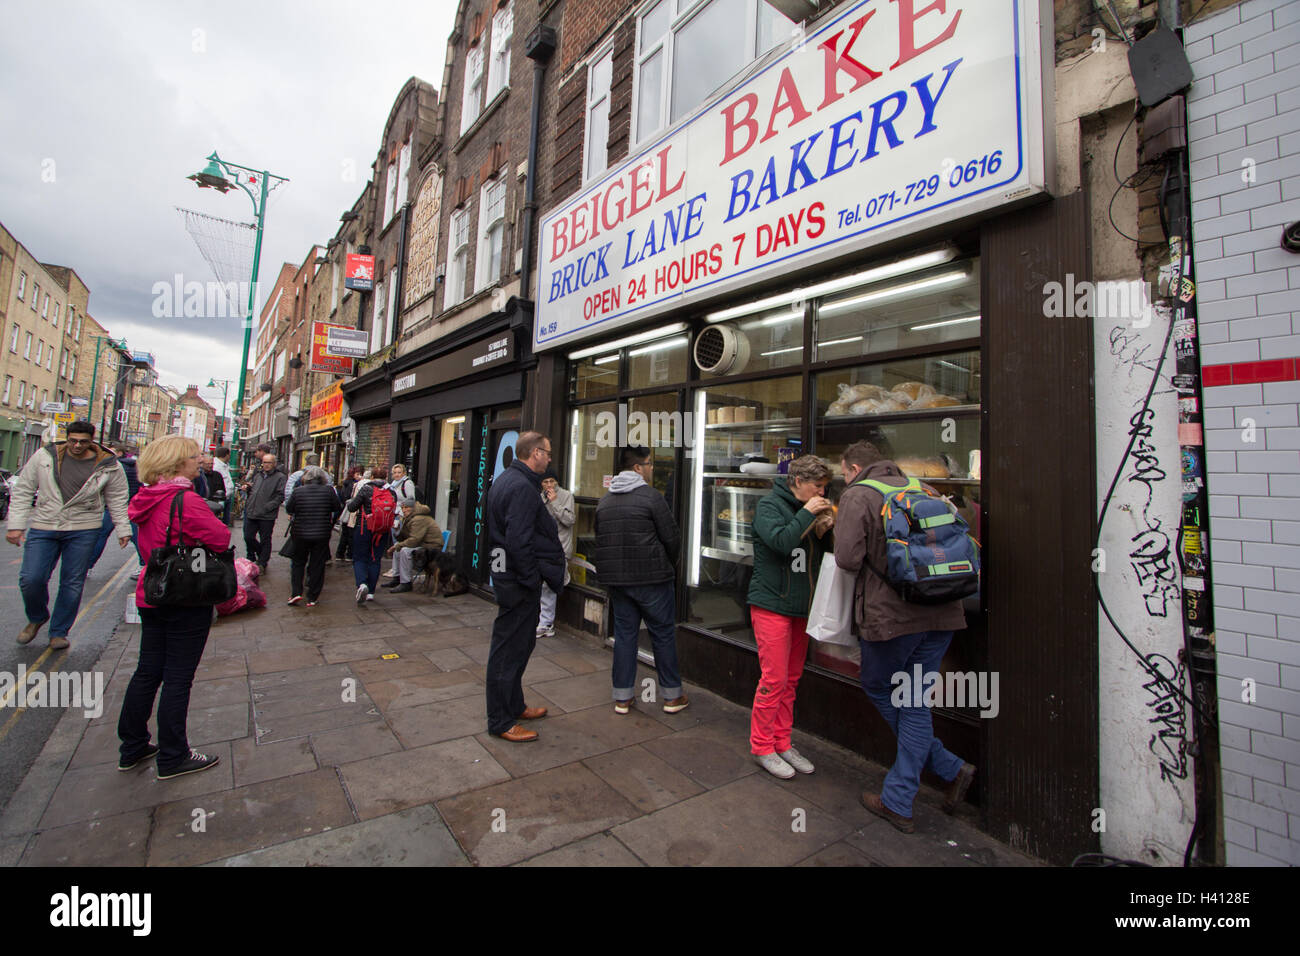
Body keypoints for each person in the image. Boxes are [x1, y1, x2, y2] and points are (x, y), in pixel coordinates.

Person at [835, 439, 975, 833]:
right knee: (913, 698)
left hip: (892, 619)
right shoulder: (923, 489)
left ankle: (912, 790)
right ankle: (942, 771)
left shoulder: (857, 495)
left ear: (852, 467)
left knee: (881, 688)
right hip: (945, 611)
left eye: (843, 471)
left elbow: (847, 559)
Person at [117, 434, 230, 779]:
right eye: (194, 457)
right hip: (185, 594)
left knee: (148, 671)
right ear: (176, 463)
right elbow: (221, 538)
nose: (200, 461)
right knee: (179, 676)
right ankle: (174, 755)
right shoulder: (185, 500)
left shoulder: (145, 497)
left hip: (153, 591)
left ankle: (132, 747)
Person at [746, 455, 835, 779]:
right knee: (774, 679)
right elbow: (782, 543)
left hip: (802, 608)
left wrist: (826, 531)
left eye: (825, 487)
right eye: (817, 486)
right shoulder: (770, 506)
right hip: (771, 604)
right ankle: (761, 746)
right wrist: (808, 515)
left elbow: (822, 558)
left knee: (792, 680)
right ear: (797, 481)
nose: (821, 492)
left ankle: (782, 741)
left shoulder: (810, 508)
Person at [6, 421, 131, 650]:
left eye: (83, 442)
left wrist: (123, 529)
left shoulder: (109, 464)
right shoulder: (44, 456)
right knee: (30, 579)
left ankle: (59, 632)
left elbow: (117, 498)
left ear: (92, 441)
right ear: (67, 437)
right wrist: (16, 525)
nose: (76, 445)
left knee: (72, 583)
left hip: (84, 528)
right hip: (45, 525)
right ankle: (37, 617)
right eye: (73, 440)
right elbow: (23, 489)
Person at [484, 432, 564, 742]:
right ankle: (501, 721)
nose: (549, 458)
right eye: (547, 452)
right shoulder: (520, 487)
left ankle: (515, 706)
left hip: (510, 577)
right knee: (508, 651)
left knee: (520, 647)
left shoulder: (509, 480)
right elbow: (518, 541)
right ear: (534, 453)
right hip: (517, 582)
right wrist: (532, 579)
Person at [594, 446, 686, 716]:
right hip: (653, 580)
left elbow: (602, 541)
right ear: (637, 468)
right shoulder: (652, 498)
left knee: (624, 636)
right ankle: (672, 697)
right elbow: (672, 538)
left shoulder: (605, 501)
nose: (651, 468)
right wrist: (669, 564)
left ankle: (622, 697)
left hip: (619, 583)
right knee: (663, 635)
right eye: (648, 464)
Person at [284, 465, 341, 607]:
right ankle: (313, 597)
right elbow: (337, 508)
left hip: (300, 533)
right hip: (321, 534)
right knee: (317, 564)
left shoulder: (298, 491)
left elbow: (289, 508)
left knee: (298, 563)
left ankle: (296, 592)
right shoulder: (328, 491)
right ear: (322, 479)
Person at [88, 440, 141, 573]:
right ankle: (144, 564)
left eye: (111, 451)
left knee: (101, 535)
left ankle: (88, 565)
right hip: (130, 505)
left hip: (115, 507)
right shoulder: (134, 467)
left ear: (119, 453)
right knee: (136, 537)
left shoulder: (116, 468)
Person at [344, 465, 390, 604]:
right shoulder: (391, 491)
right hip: (382, 530)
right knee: (375, 559)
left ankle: (362, 584)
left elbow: (352, 507)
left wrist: (351, 502)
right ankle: (371, 592)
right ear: (386, 477)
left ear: (371, 477)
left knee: (359, 558)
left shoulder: (366, 488)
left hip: (364, 527)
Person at [537, 471, 575, 638]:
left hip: (559, 549)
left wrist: (554, 503)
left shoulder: (566, 496)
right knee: (542, 584)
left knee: (549, 585)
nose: (550, 485)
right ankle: (542, 620)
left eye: (552, 481)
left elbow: (569, 520)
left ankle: (546, 623)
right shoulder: (539, 498)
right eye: (546, 482)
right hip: (542, 548)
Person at [384, 498, 443, 593]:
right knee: (398, 547)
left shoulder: (419, 518)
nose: (403, 510)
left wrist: (397, 546)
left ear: (412, 508)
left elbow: (415, 540)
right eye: (402, 507)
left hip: (431, 547)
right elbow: (408, 538)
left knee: (404, 551)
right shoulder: (410, 517)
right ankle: (397, 577)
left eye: (406, 507)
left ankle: (406, 582)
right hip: (422, 544)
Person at [241, 453, 286, 573]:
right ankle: (262, 553)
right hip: (252, 511)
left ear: (274, 464)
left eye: (269, 462)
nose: (266, 465)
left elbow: (280, 496)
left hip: (266, 515)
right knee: (248, 536)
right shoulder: (258, 475)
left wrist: (268, 507)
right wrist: (248, 489)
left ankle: (262, 562)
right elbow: (255, 490)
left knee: (265, 538)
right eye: (264, 462)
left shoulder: (280, 477)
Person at [334, 465, 363, 562]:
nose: (359, 476)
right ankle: (348, 554)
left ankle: (340, 553)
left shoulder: (347, 483)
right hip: (351, 511)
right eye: (358, 474)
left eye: (361, 474)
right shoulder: (353, 484)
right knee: (350, 533)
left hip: (347, 511)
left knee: (345, 533)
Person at [212, 446, 235, 525]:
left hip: (227, 497)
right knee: (220, 521)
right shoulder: (217, 466)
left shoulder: (224, 465)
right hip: (221, 498)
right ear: (227, 455)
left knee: (225, 521)